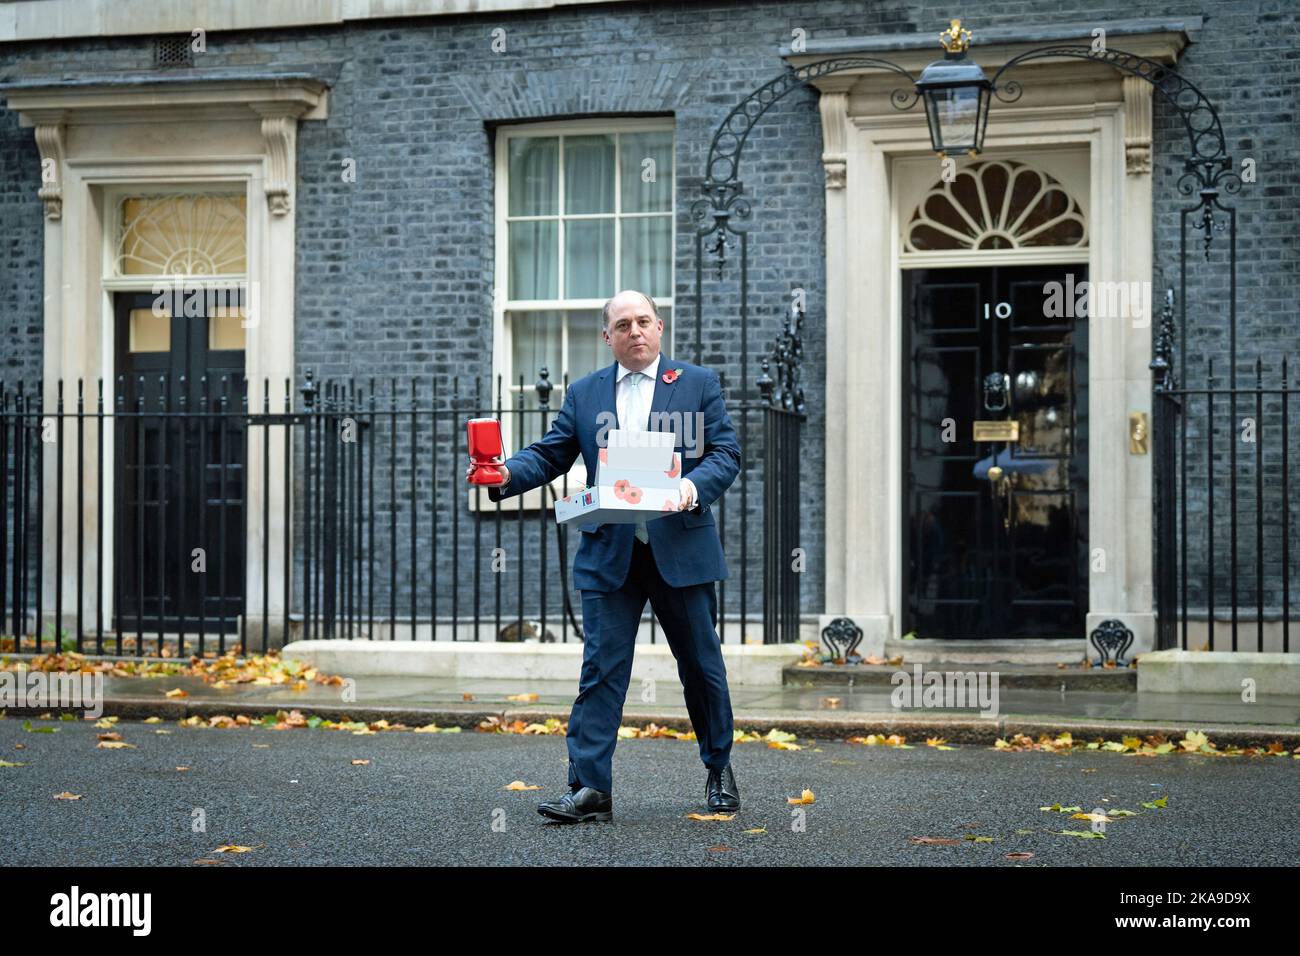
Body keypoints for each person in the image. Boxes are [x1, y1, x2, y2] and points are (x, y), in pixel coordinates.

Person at [465, 289, 742, 823]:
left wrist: (688, 488)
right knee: (601, 671)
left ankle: (719, 771)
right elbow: (550, 453)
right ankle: (590, 787)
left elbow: (726, 453)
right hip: (609, 551)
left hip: (679, 545)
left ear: (659, 328)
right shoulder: (586, 393)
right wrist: (503, 475)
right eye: (623, 324)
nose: (634, 331)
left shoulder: (698, 384)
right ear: (607, 336)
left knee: (702, 666)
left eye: (643, 321)